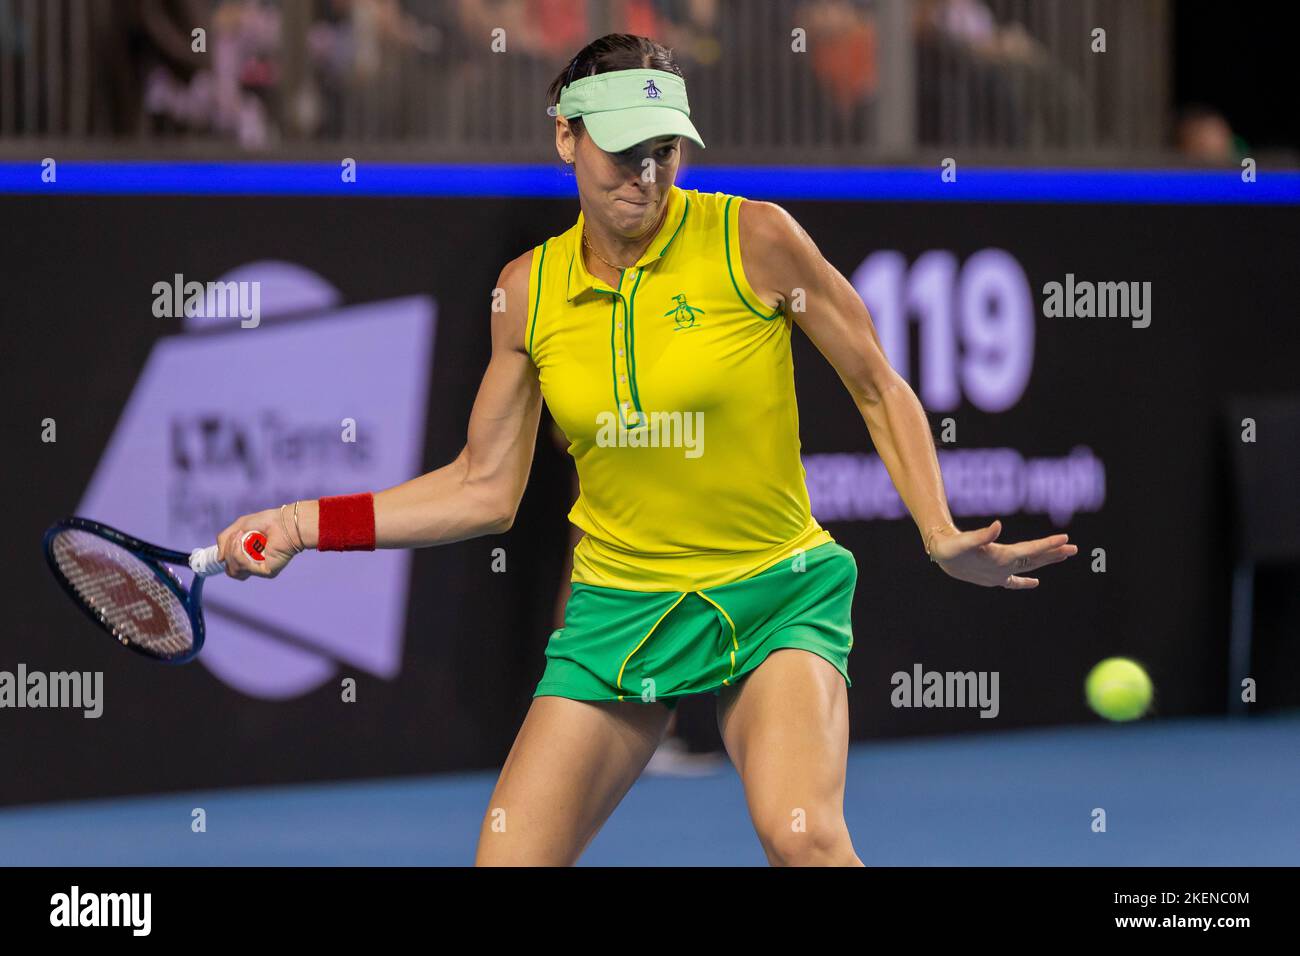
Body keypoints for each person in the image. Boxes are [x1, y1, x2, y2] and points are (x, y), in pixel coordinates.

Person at [214, 33, 1077, 866]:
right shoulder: (526, 293)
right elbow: (483, 488)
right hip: (617, 619)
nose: (649, 172)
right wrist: (299, 523)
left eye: (666, 148)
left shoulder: (757, 239)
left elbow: (877, 383)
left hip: (775, 595)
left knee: (803, 837)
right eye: (625, 149)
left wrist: (937, 531)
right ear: (566, 136)